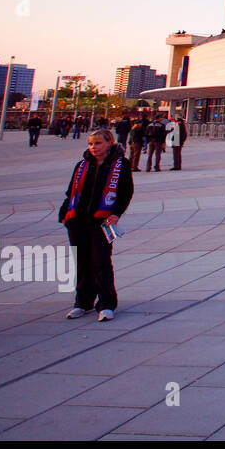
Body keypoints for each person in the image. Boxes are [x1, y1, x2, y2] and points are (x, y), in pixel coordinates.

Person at [59, 128, 133, 322]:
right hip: (77, 220)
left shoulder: (120, 165)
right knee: (82, 261)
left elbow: (126, 191)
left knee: (100, 262)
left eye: (98, 143)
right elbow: (71, 192)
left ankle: (107, 304)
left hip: (102, 221)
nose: (93, 147)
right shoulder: (82, 165)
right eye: (90, 144)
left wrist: (116, 213)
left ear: (109, 143)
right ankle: (82, 302)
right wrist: (65, 216)